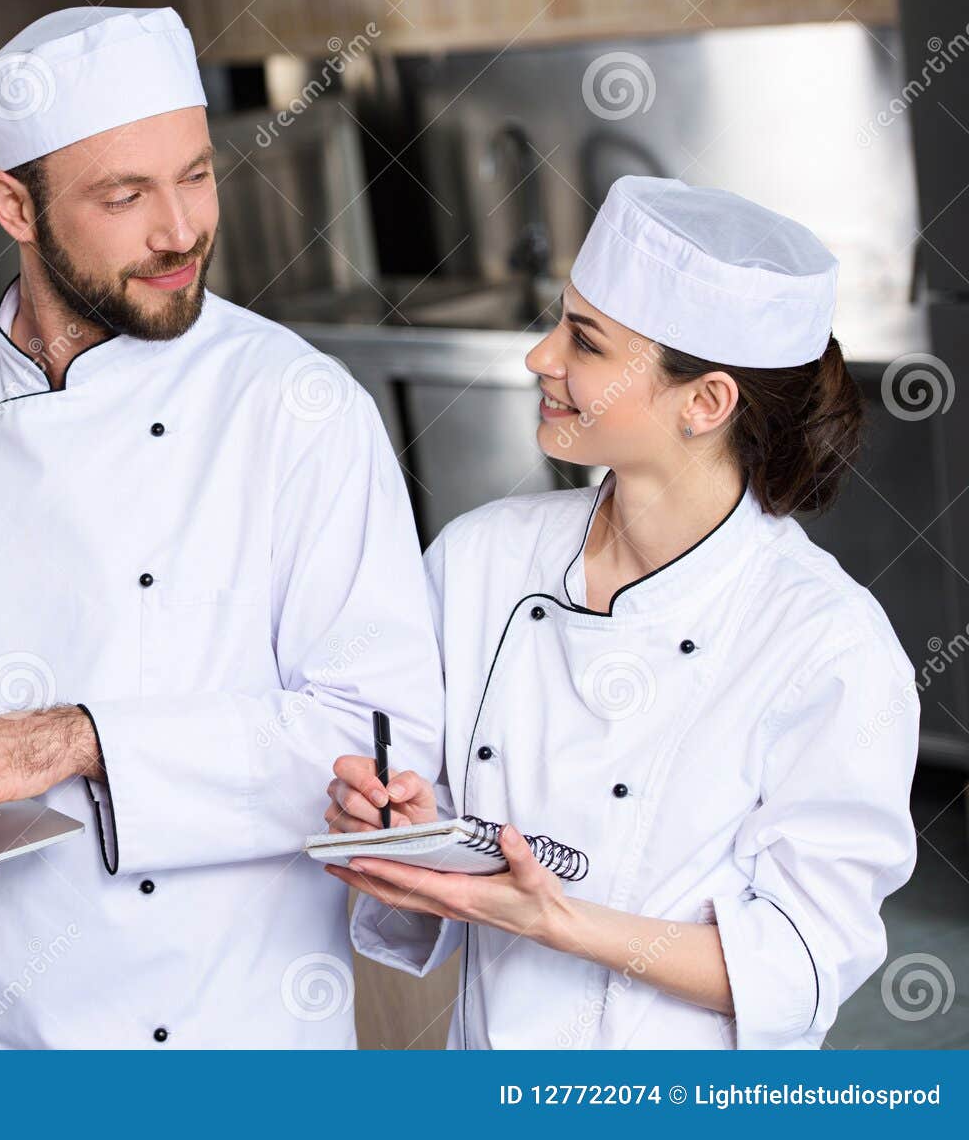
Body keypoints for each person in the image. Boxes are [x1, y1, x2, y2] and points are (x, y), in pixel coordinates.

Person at [0, 6, 441, 1048]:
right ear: (13, 205)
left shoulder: (297, 408)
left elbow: (375, 743)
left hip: (220, 1036)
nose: (180, 229)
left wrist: (84, 739)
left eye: (197, 173)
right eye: (124, 195)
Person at [324, 175, 920, 1049]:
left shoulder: (826, 644)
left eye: (586, 342)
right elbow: (436, 809)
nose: (541, 358)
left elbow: (797, 967)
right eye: (560, 322)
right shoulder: (481, 558)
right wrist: (404, 827)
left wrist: (556, 920)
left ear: (705, 403)